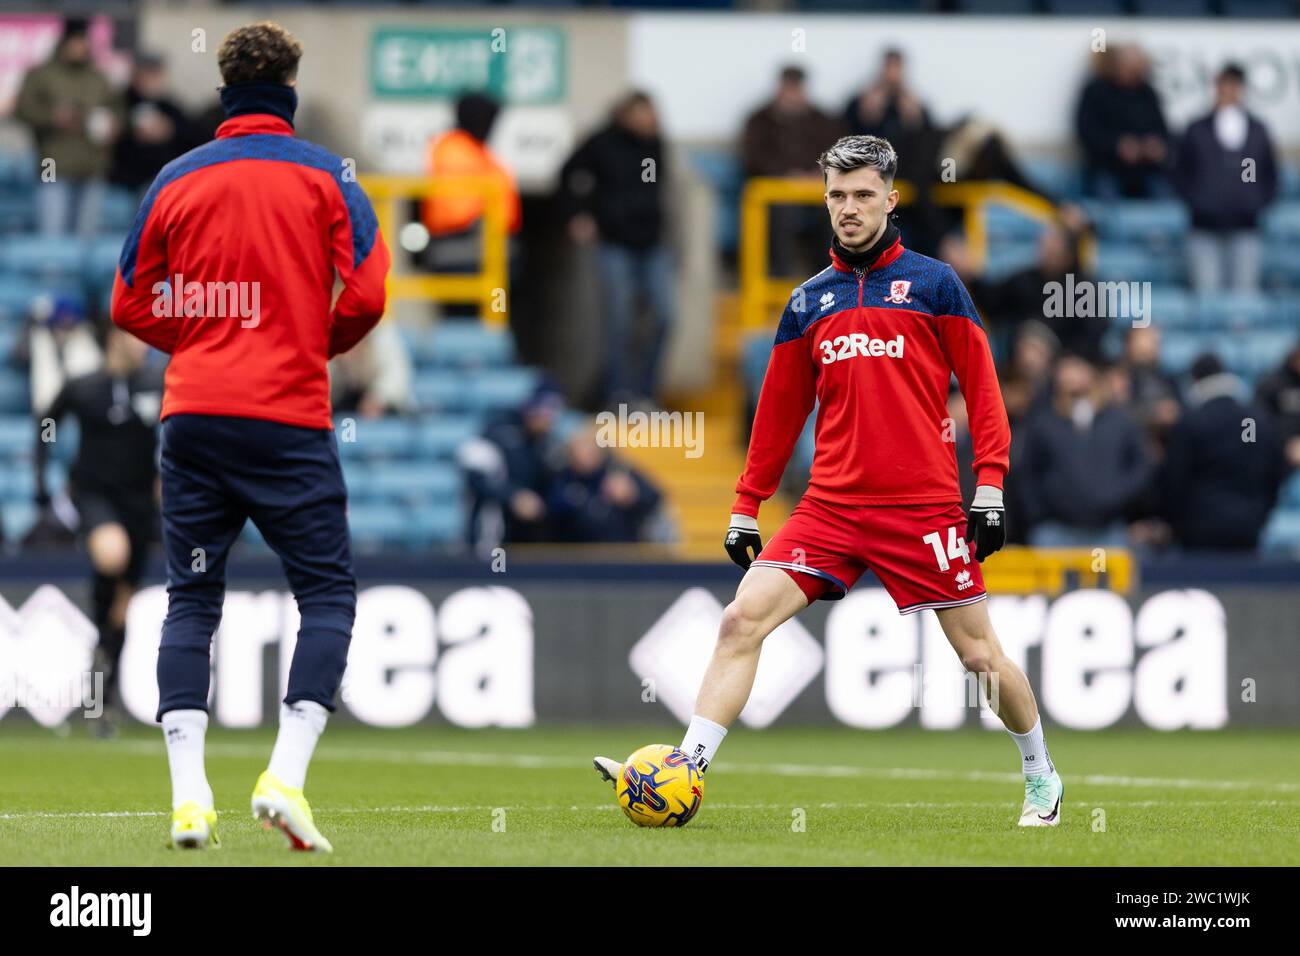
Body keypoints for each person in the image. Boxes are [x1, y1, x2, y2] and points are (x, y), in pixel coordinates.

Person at [592, 135, 1066, 827]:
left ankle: (1040, 772)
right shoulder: (809, 302)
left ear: (891, 199)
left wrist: (988, 486)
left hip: (923, 508)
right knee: (739, 621)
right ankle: (686, 772)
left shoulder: (936, 284)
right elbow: (777, 416)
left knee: (978, 656)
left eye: (863, 195)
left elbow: (985, 391)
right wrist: (745, 508)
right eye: (838, 196)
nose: (848, 209)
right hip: (831, 507)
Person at [111, 21, 390, 852]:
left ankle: (189, 800)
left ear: (227, 90)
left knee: (192, 600)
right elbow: (370, 295)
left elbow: (129, 302)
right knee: (328, 596)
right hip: (289, 420)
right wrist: (314, 342)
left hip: (194, 416)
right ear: (290, 90)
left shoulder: (176, 177)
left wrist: (200, 341)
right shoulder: (328, 177)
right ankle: (284, 780)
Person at [33, 326, 162, 734]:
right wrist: (42, 485)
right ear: (114, 340)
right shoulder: (83, 387)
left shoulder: (156, 384)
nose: (145, 345)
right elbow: (46, 425)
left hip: (141, 504)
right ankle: (100, 679)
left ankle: (99, 701)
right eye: (136, 337)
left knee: (120, 611)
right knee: (113, 553)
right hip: (95, 496)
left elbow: (184, 427)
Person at [560, 91, 674, 406]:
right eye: (641, 113)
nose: (648, 120)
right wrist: (578, 214)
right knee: (619, 319)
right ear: (625, 114)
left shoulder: (654, 144)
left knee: (664, 315)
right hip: (614, 243)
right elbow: (568, 173)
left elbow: (654, 188)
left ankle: (646, 392)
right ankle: (618, 394)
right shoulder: (601, 143)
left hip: (651, 243)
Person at [1015, 354, 1154, 547]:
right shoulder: (1043, 423)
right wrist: (1039, 514)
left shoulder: (1120, 420)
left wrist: (1117, 497)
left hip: (1110, 530)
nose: (1074, 377)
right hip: (1055, 532)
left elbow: (1141, 466)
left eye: (1079, 368)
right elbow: (1027, 473)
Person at [1163, 354, 1289, 551]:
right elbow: (1275, 472)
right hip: (1248, 525)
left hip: (1198, 529)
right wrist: (1260, 513)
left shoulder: (1191, 422)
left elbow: (1175, 480)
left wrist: (1178, 523)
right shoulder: (1255, 421)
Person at [1173, 63, 1278, 294]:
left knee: (1243, 297)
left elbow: (1257, 171)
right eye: (1223, 85)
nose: (1228, 91)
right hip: (1204, 226)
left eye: (1233, 85)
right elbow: (1182, 171)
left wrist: (1252, 201)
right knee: (1206, 294)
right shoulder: (1198, 129)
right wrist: (1198, 200)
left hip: (1245, 226)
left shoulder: (1254, 131)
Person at [14, 17, 121, 237]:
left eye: (83, 42)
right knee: (52, 236)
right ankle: (50, 272)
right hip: (52, 164)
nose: (80, 47)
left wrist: (114, 124)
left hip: (92, 164)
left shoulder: (98, 77)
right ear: (64, 43)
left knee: (86, 239)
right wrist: (52, 117)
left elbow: (118, 112)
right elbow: (22, 110)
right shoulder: (41, 74)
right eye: (76, 41)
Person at [743, 66, 847, 277]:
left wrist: (818, 173)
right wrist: (786, 175)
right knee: (782, 215)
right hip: (776, 195)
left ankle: (830, 278)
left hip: (816, 194)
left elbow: (839, 152)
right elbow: (752, 158)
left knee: (834, 213)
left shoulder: (821, 120)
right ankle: (780, 278)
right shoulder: (760, 120)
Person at [1075, 44, 1172, 199]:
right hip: (1107, 170)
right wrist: (1117, 146)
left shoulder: (1147, 93)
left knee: (1168, 199)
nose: (1133, 72)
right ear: (1115, 65)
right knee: (1107, 200)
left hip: (1146, 171)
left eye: (1137, 68)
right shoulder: (1096, 91)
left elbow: (1162, 131)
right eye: (1128, 67)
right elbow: (1086, 132)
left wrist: (1155, 146)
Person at [108, 52, 193, 200]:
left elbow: (193, 135)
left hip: (159, 183)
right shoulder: (121, 101)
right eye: (148, 73)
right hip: (123, 184)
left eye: (156, 74)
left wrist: (169, 130)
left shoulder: (169, 106)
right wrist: (133, 132)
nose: (152, 79)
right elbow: (110, 134)